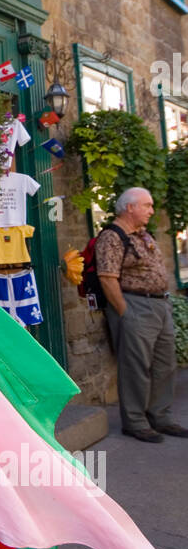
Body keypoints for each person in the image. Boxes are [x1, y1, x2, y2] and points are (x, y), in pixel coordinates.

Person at [97, 187, 187, 442]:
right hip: (135, 305)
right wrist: (125, 312)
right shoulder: (113, 237)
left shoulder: (142, 234)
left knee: (165, 364)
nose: (150, 210)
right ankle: (135, 422)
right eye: (146, 205)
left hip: (159, 305)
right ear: (130, 207)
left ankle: (161, 416)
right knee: (135, 366)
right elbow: (107, 277)